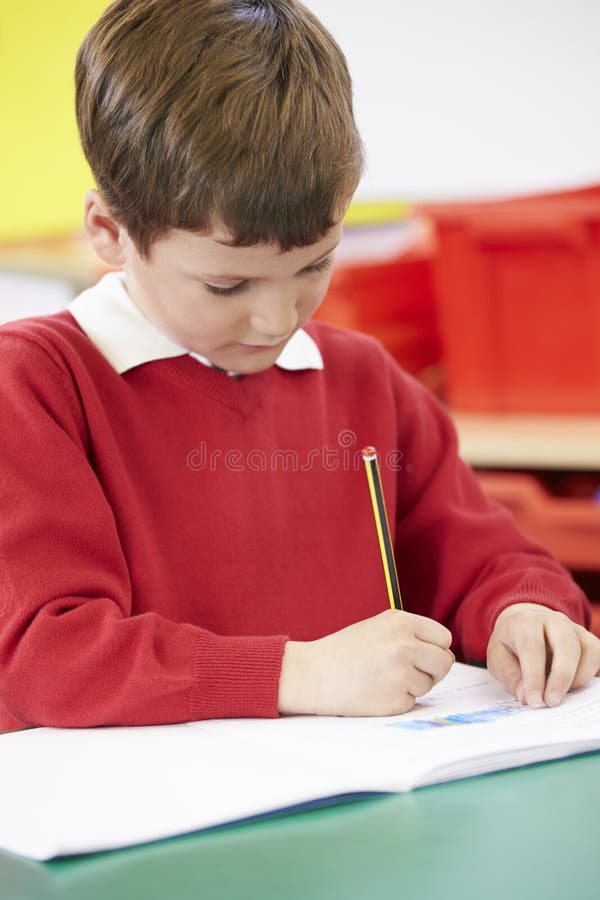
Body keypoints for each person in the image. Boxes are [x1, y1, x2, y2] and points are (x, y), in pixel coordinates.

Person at [0, 0, 598, 734]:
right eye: (228, 286)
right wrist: (299, 672)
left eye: (314, 265)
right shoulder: (34, 387)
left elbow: (480, 556)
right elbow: (47, 654)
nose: (277, 320)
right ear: (108, 232)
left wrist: (526, 608)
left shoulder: (363, 379)